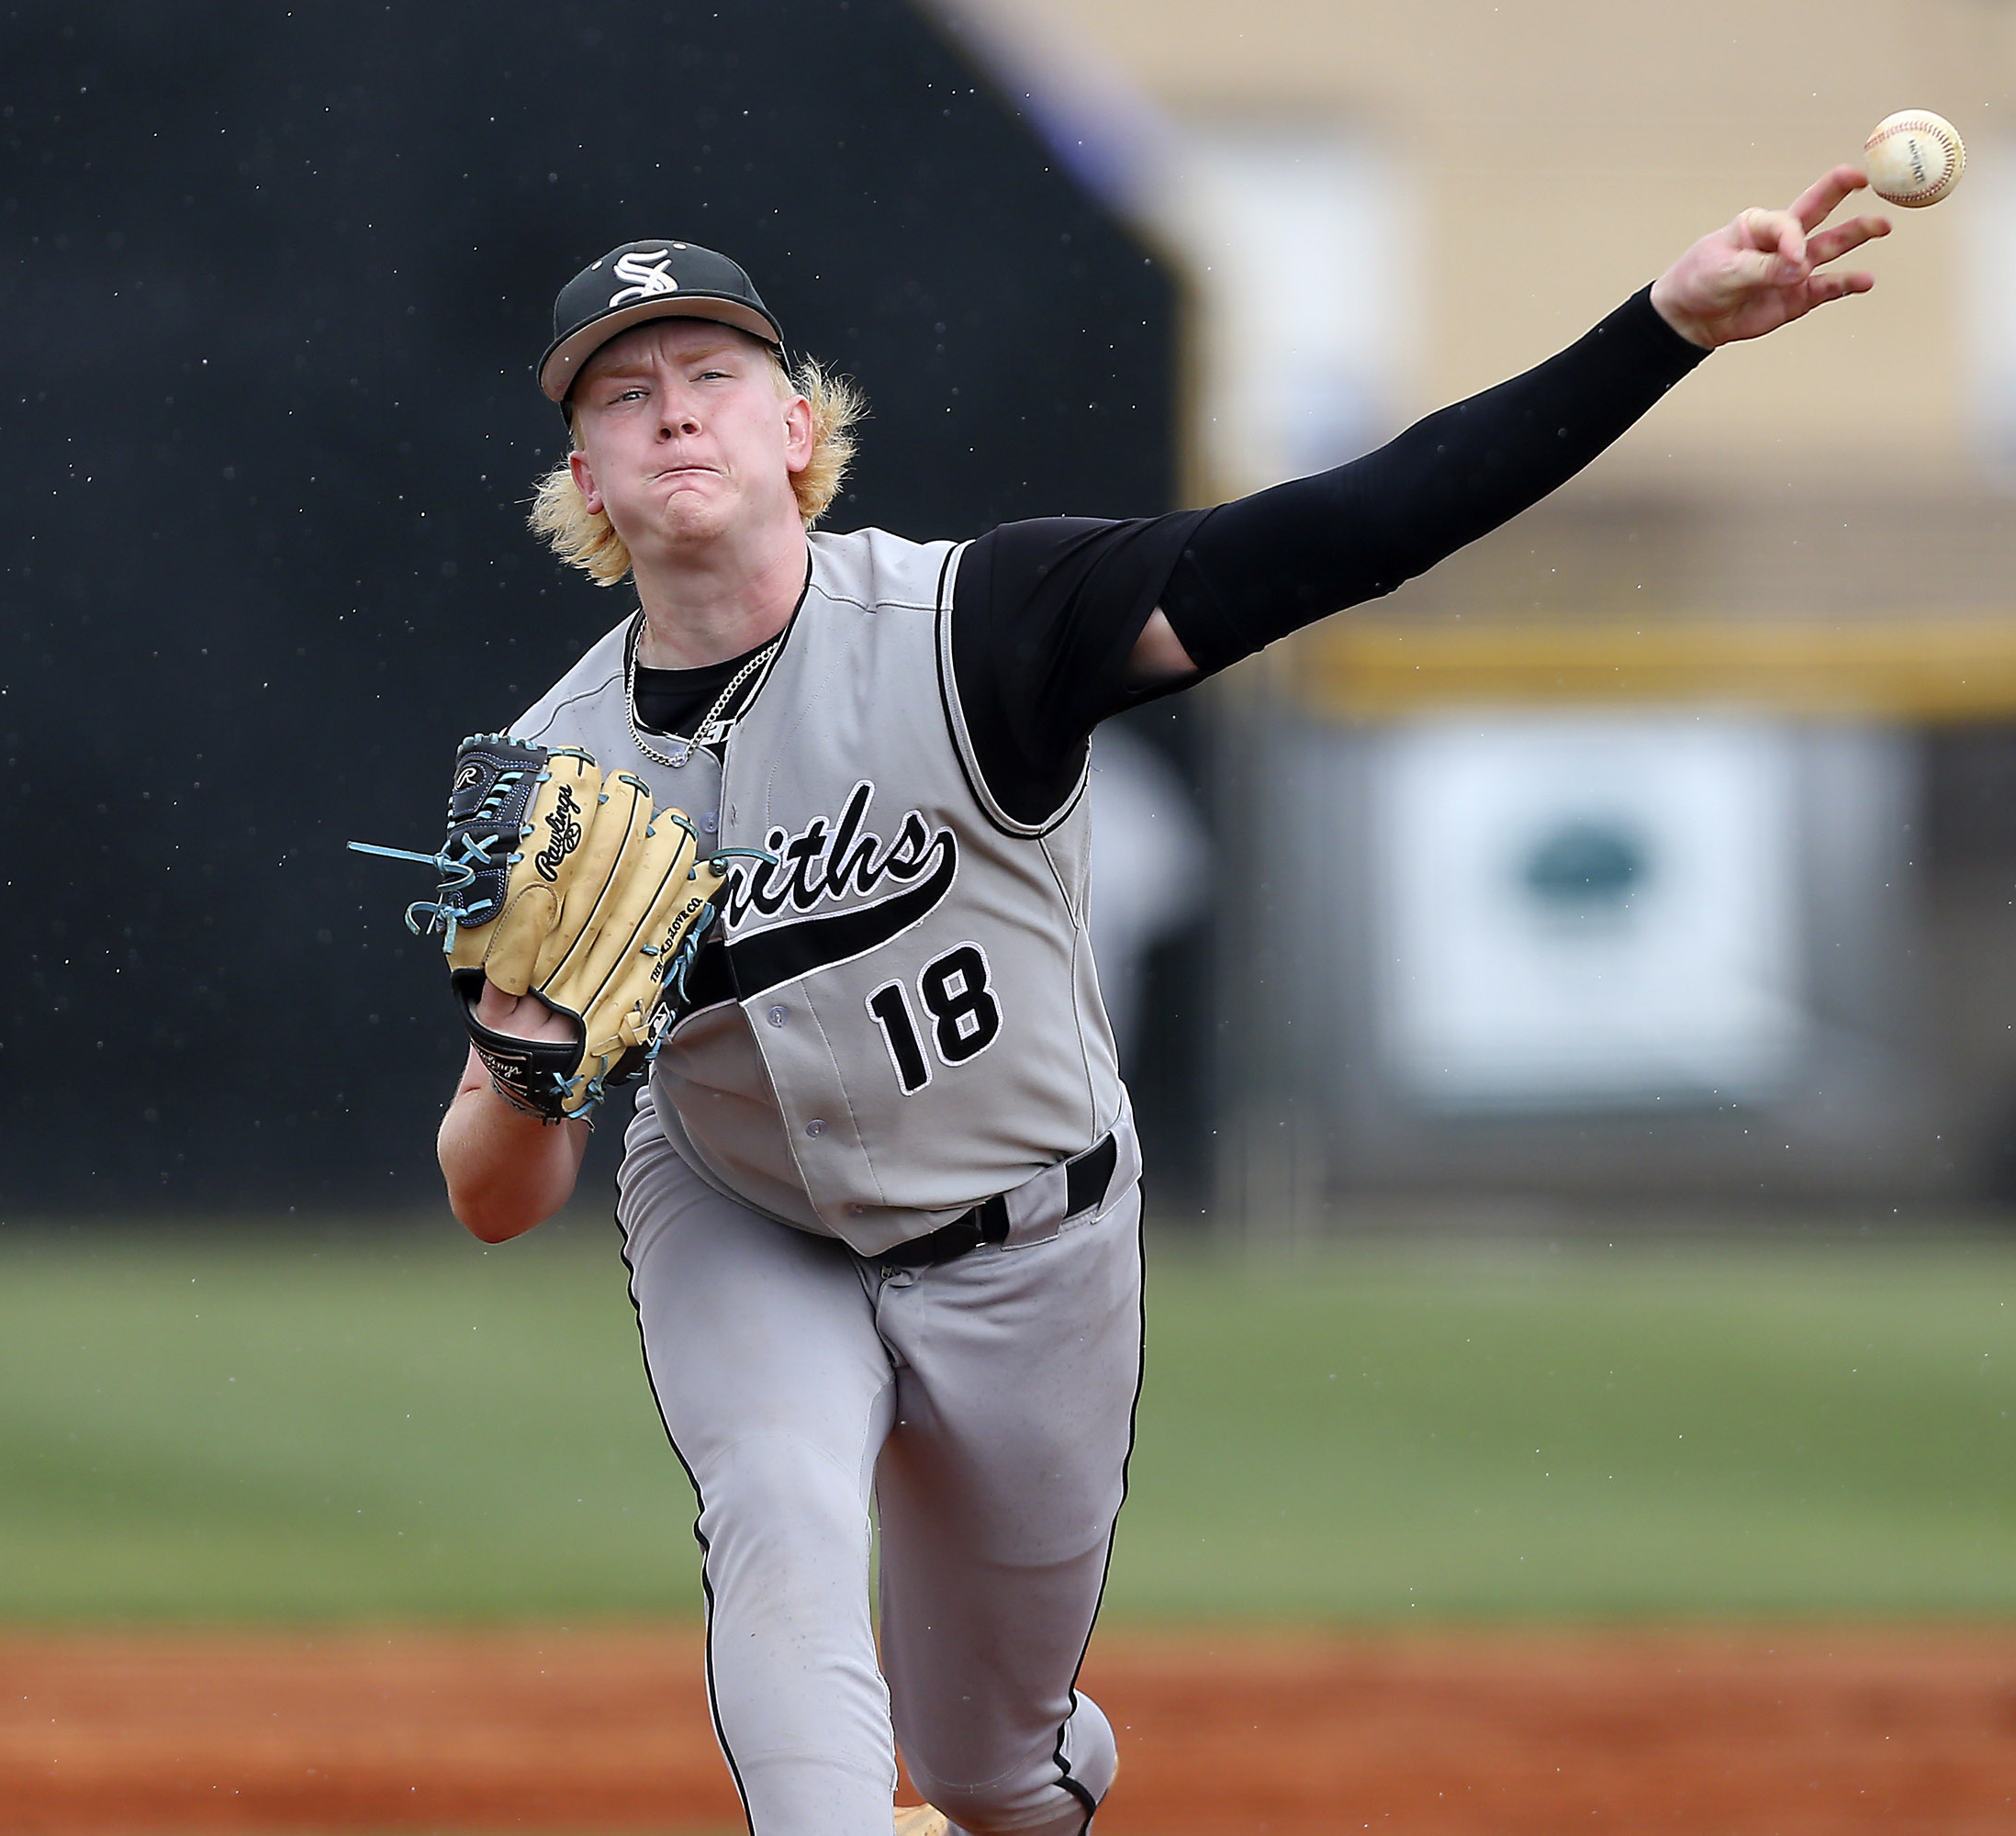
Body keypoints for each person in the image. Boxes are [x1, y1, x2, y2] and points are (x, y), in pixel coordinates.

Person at [430, 170, 1888, 1836]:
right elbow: (493, 1197)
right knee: (777, 1508)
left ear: (794, 432)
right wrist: (528, 1059)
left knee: (1001, 1772)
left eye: (711, 379)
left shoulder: (979, 625)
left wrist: (1661, 334)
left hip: (1027, 1237)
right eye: (622, 397)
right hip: (743, 1213)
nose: (670, 414)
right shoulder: (548, 779)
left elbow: (1351, 528)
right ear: (587, 482)